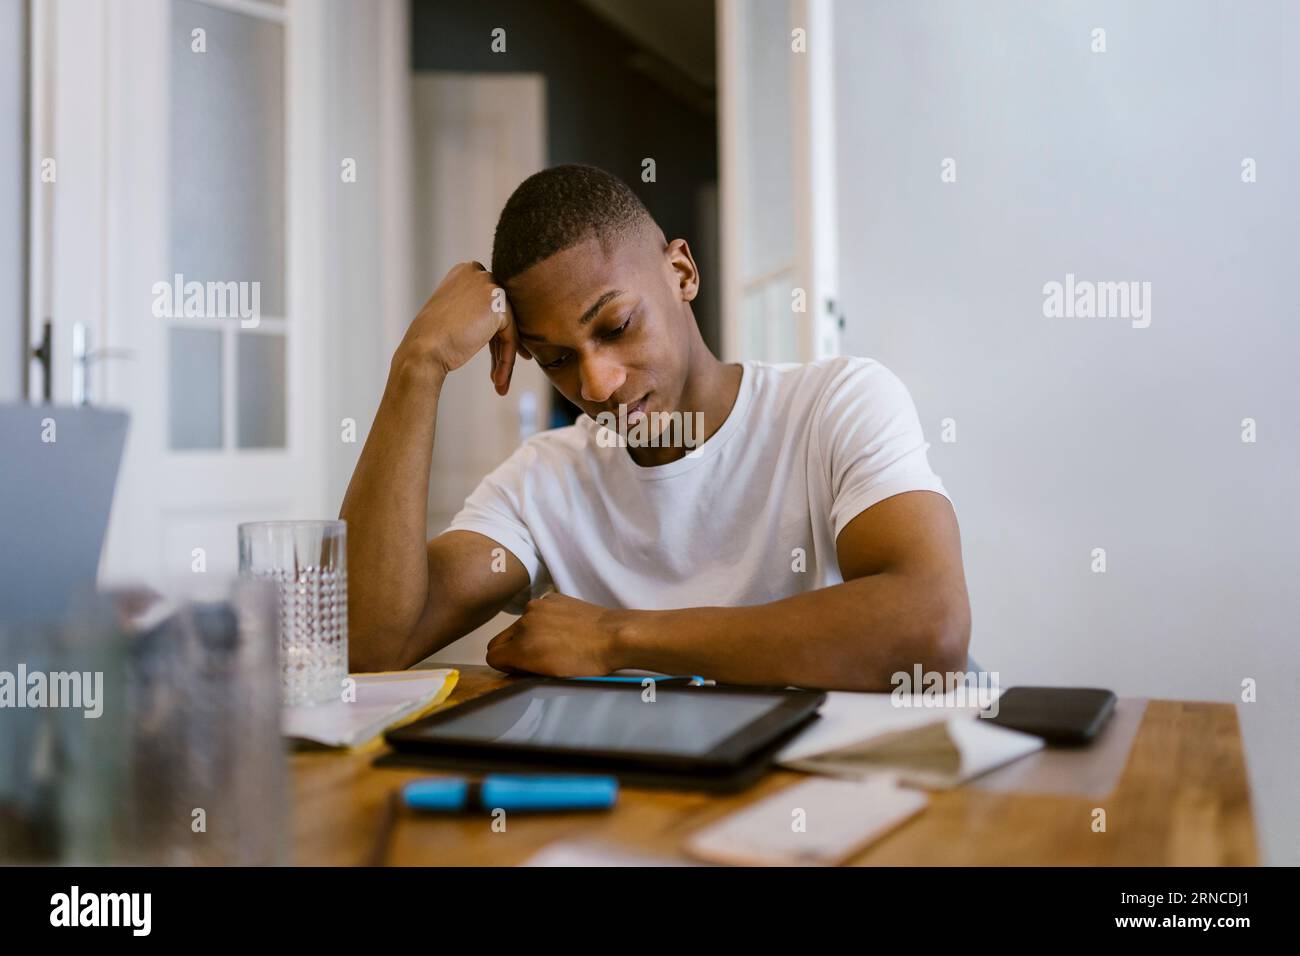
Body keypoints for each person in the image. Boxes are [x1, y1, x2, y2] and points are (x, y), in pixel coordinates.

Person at [340, 164, 970, 690]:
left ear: (682, 273)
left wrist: (615, 637)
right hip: (645, 809)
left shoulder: (836, 403)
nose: (596, 384)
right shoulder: (541, 482)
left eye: (615, 328)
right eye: (557, 359)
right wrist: (417, 365)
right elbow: (371, 645)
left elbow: (928, 627)